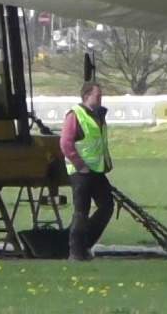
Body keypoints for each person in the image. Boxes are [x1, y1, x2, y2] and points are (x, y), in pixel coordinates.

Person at [60, 81, 114, 262]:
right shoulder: (75, 115)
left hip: (96, 170)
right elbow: (66, 143)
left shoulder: (98, 115)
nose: (100, 99)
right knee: (81, 212)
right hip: (80, 172)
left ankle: (85, 244)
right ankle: (76, 252)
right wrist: (79, 164)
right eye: (97, 96)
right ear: (86, 96)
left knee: (107, 206)